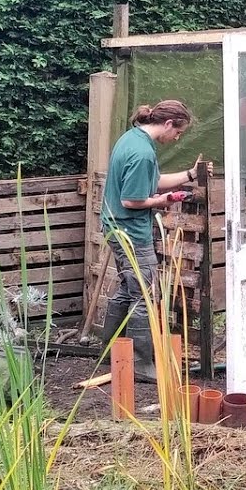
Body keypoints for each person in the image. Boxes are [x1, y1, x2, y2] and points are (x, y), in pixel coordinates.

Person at [100, 99, 210, 381]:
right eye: (179, 132)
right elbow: (131, 199)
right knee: (145, 294)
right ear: (169, 124)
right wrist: (160, 201)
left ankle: (113, 351)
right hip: (131, 231)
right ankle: (139, 364)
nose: (177, 138)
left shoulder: (132, 139)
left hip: (116, 226)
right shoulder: (142, 153)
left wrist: (189, 174)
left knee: (129, 288)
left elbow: (152, 180)